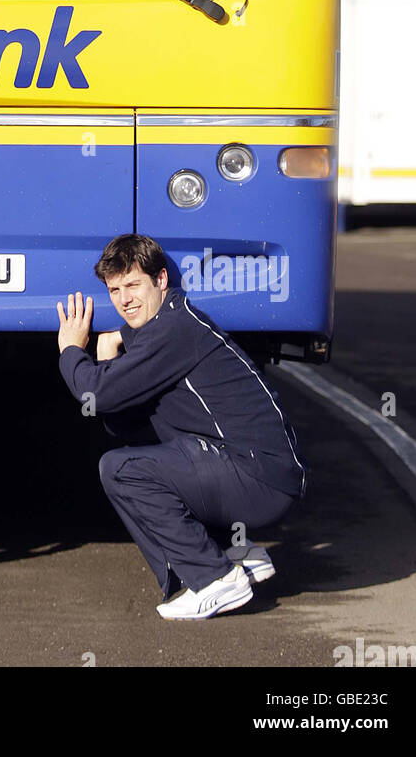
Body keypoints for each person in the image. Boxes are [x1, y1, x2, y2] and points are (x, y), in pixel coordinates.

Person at [56, 233, 306, 620]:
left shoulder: (174, 330)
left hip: (261, 479)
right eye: (114, 289)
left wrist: (72, 350)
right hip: (261, 472)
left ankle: (215, 579)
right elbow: (122, 422)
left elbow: (97, 395)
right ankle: (232, 553)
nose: (124, 299)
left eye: (134, 285)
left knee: (122, 470)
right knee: (127, 461)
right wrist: (106, 361)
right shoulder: (165, 328)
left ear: (160, 280)